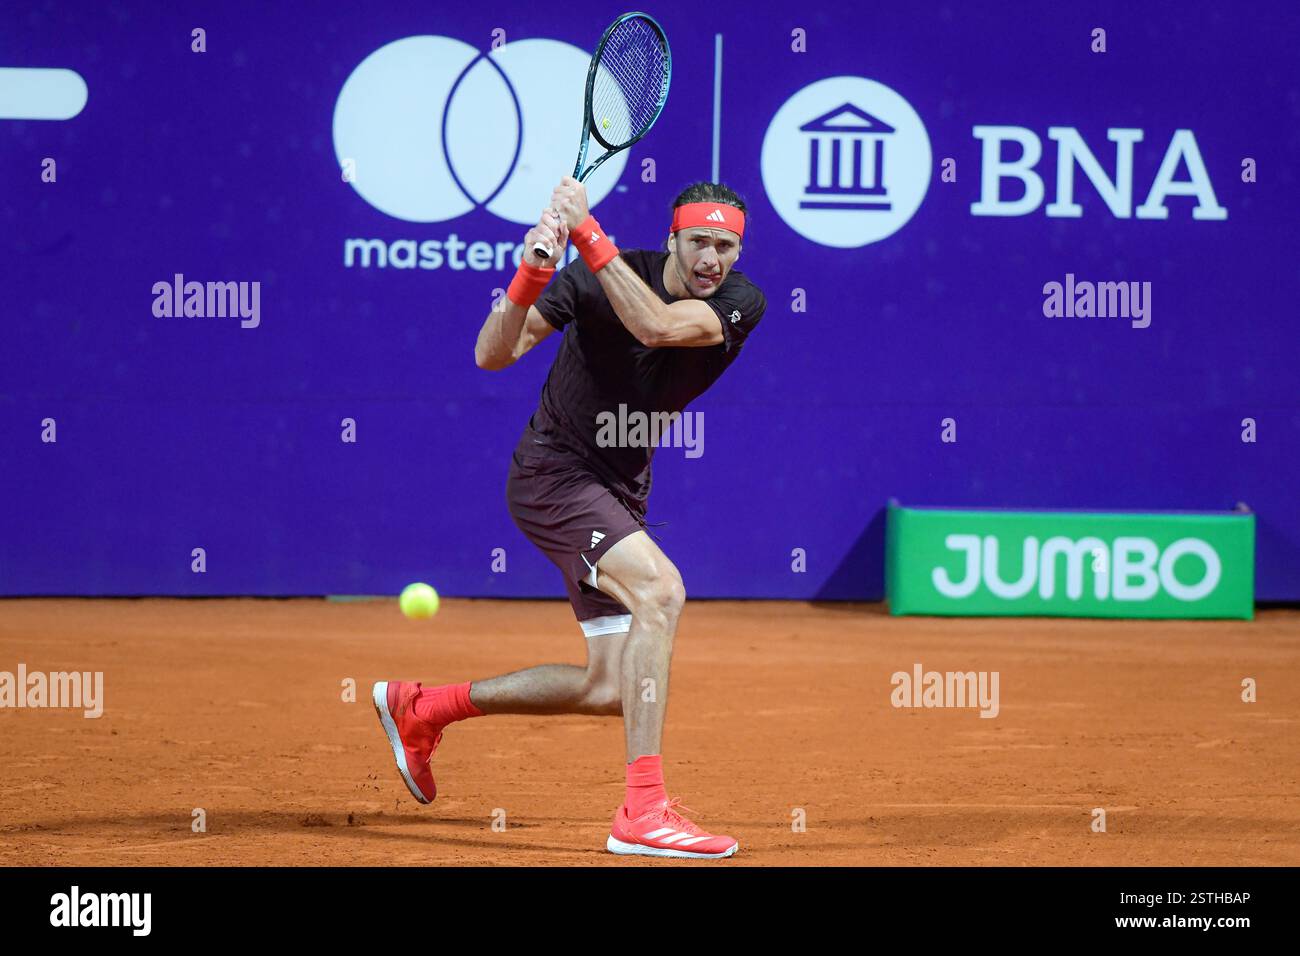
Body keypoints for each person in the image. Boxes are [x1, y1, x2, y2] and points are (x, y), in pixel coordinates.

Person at [372, 177, 767, 859]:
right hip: (554, 474)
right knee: (661, 591)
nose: (712, 257)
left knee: (608, 686)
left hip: (619, 488)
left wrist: (585, 231)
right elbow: (491, 353)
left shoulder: (738, 301)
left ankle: (424, 708)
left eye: (725, 245)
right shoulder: (588, 279)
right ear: (671, 238)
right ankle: (643, 811)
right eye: (699, 240)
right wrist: (531, 272)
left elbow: (658, 327)